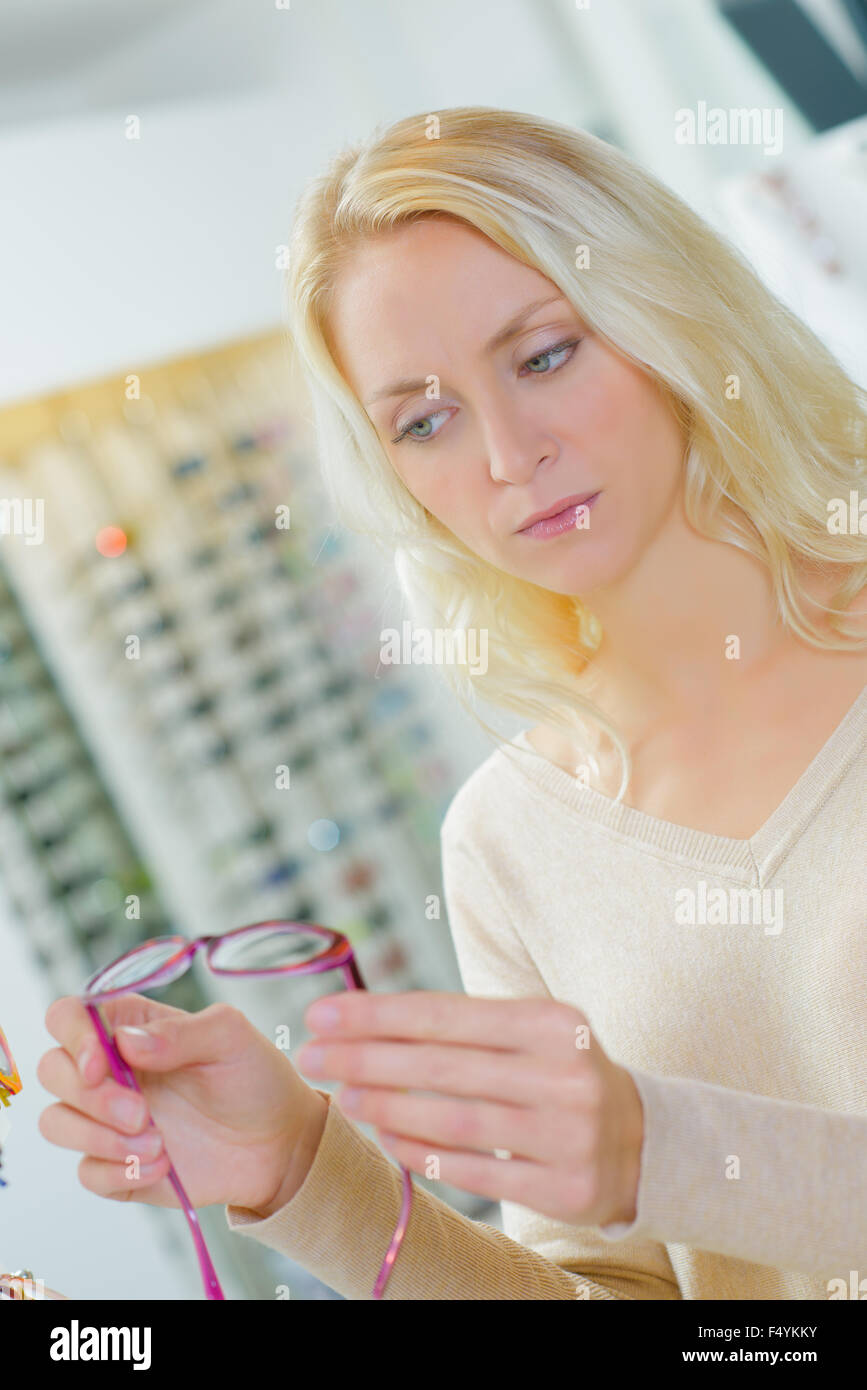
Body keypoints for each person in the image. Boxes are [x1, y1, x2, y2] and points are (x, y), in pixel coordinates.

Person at [37, 107, 867, 1300]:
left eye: (543, 354)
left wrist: (664, 1151)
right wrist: (309, 1173)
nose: (505, 453)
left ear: (667, 311)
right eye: (424, 421)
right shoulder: (508, 841)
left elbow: (668, 1164)